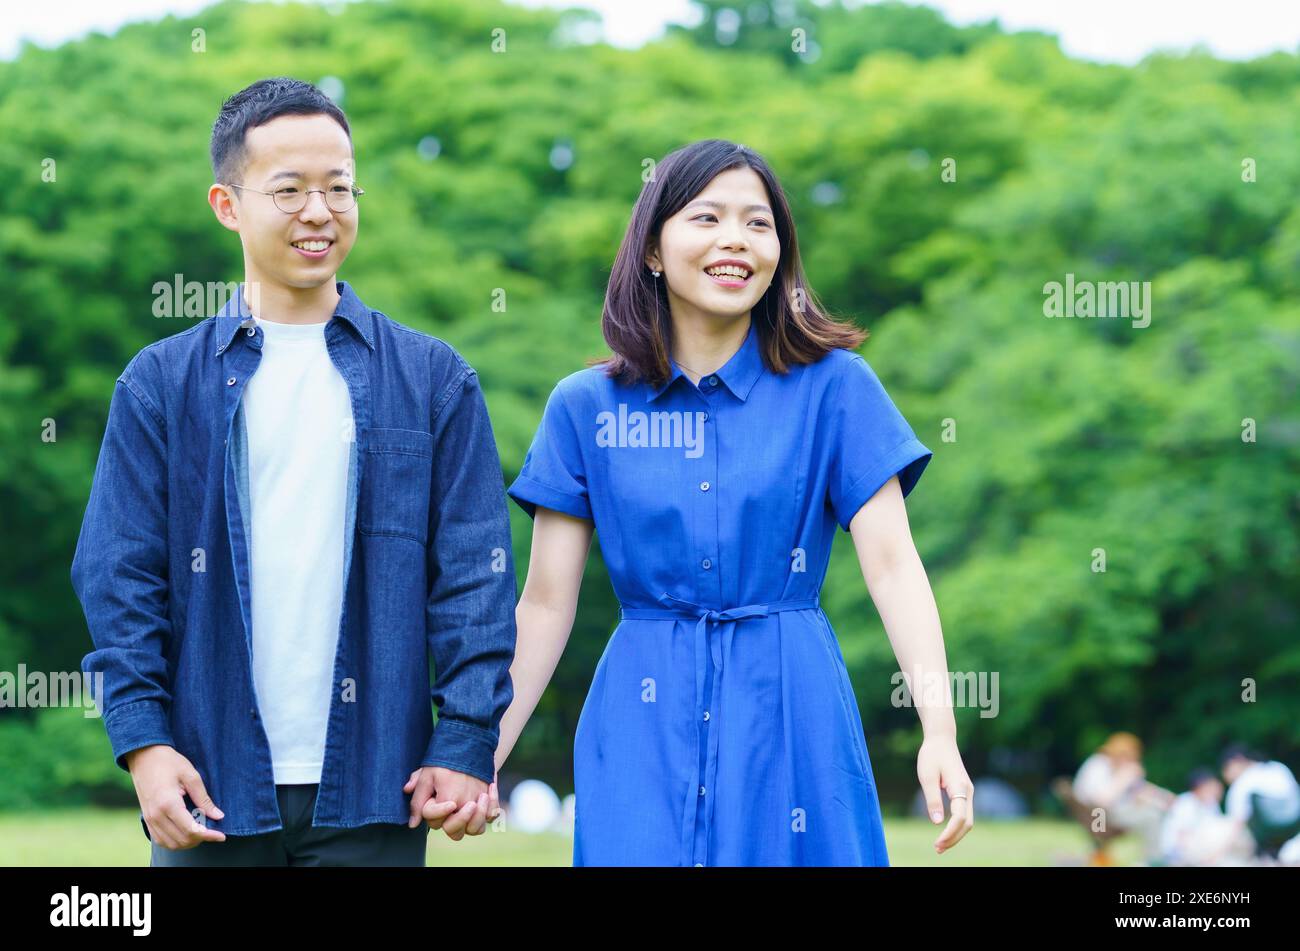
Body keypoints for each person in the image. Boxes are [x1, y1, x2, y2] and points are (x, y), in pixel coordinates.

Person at [484, 138, 974, 865]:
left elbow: (895, 568)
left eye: (758, 223)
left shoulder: (836, 388)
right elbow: (547, 603)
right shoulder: (583, 407)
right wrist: (481, 752)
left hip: (790, 701)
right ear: (653, 250)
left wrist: (940, 729)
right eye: (707, 218)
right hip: (641, 714)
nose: (735, 242)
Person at [70, 77, 516, 866]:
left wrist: (467, 736)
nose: (320, 211)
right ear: (227, 204)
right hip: (209, 787)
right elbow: (118, 575)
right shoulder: (162, 384)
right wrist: (143, 744)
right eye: (290, 190)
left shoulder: (435, 379)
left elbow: (474, 582)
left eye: (339, 188)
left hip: (379, 786)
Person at [1072, 732, 1173, 864]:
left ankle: (1154, 859)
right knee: (1152, 816)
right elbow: (1101, 800)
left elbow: (1140, 790)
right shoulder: (1099, 765)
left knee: (1153, 809)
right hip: (1098, 817)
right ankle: (1154, 862)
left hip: (1101, 816)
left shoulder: (1111, 767)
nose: (1134, 761)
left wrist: (1162, 796)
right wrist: (1125, 777)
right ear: (1122, 754)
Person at [1219, 743, 1300, 860]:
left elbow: (1235, 822)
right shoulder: (1277, 766)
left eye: (1226, 770)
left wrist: (1217, 853)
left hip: (1273, 828)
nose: (1226, 777)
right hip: (1296, 820)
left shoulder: (1243, 783)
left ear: (1236, 762)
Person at [1159, 768, 1254, 866]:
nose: (1217, 789)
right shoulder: (1186, 803)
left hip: (1202, 849)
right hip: (1180, 852)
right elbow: (1181, 836)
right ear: (1199, 788)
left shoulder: (1211, 804)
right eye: (1212, 786)